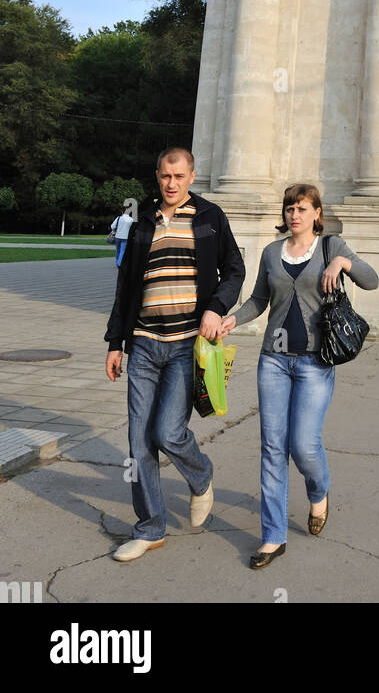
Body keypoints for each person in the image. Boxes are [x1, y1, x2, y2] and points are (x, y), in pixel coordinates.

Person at [219, 183, 379, 569]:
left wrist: (343, 264)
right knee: (273, 447)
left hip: (314, 362)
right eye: (290, 207)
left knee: (303, 445)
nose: (294, 214)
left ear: (316, 214)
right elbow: (259, 299)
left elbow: (371, 279)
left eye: (303, 208)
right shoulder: (272, 252)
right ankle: (273, 537)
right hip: (273, 360)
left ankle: (318, 491)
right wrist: (232, 319)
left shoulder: (331, 247)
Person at [104, 147, 244, 562]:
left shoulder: (210, 218)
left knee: (167, 433)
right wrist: (116, 343)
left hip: (187, 346)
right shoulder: (142, 220)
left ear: (192, 176)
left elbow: (234, 269)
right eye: (165, 176)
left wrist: (217, 308)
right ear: (157, 175)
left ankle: (200, 476)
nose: (171, 183)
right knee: (139, 440)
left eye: (179, 176)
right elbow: (126, 286)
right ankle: (150, 528)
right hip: (144, 343)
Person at [110, 204, 134, 268]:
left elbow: (112, 227)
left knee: (118, 250)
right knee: (122, 250)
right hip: (125, 237)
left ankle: (117, 262)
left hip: (117, 236)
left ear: (122, 211)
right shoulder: (131, 220)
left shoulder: (118, 218)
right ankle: (119, 263)